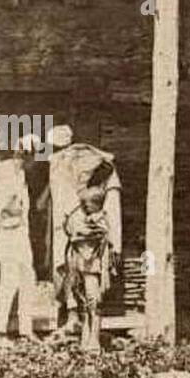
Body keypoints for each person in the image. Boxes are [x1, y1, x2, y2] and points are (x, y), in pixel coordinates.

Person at [45, 125, 122, 334]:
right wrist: (116, 239)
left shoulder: (60, 163)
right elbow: (113, 203)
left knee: (70, 269)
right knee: (93, 276)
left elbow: (62, 201)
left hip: (72, 225)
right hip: (98, 225)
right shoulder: (103, 161)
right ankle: (90, 331)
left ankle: (74, 316)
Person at [0, 132, 39, 341]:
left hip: (21, 232)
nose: (33, 164)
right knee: (9, 280)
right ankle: (0, 330)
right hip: (5, 232)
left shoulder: (21, 175)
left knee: (28, 279)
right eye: (32, 158)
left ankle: (26, 329)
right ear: (24, 155)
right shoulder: (2, 170)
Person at [63, 185, 111, 351]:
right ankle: (86, 336)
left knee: (94, 300)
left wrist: (82, 233)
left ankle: (94, 338)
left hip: (92, 267)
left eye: (88, 204)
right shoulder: (82, 217)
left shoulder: (100, 218)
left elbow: (99, 233)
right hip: (80, 266)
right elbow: (72, 232)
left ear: (97, 204)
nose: (85, 207)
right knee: (83, 300)